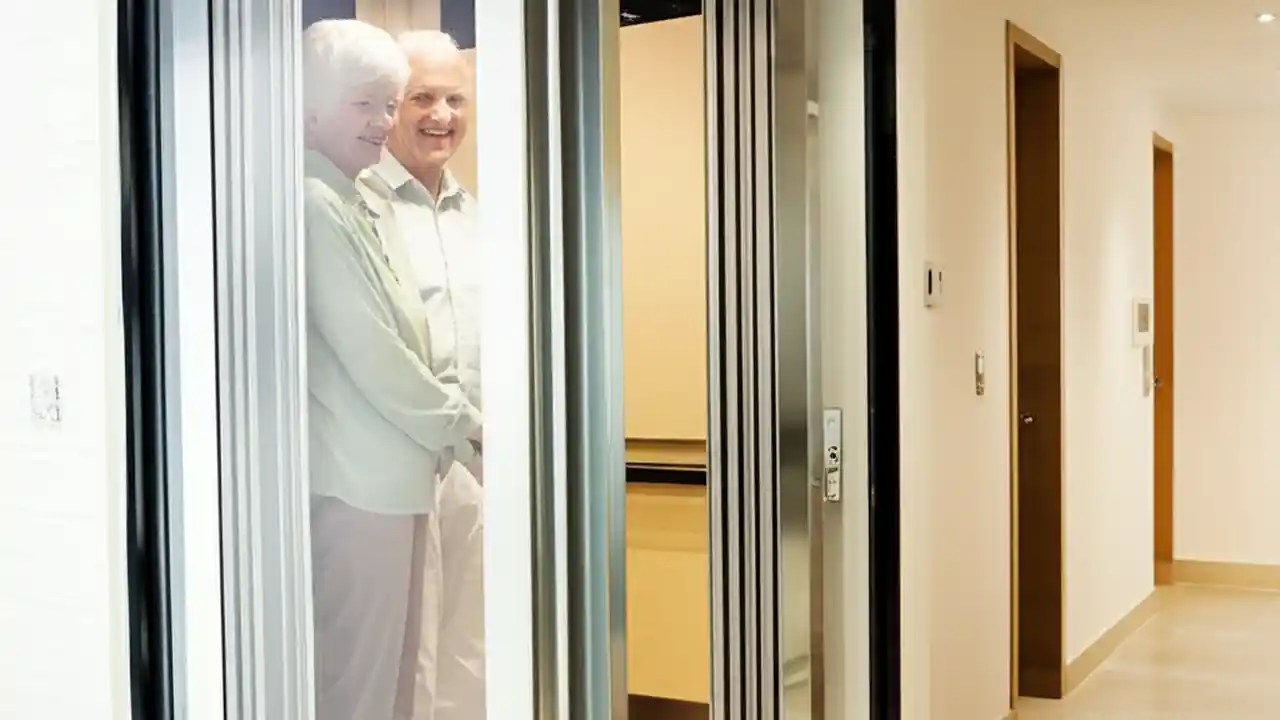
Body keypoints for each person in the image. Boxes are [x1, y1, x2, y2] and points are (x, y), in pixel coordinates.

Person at [301, 19, 482, 720]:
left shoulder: (347, 196)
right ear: (313, 106)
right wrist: (467, 430)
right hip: (375, 476)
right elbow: (378, 353)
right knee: (363, 680)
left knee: (432, 662)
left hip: (427, 467)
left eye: (387, 102)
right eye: (369, 104)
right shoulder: (328, 202)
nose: (382, 121)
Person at [359, 29, 485, 720]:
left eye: (455, 99)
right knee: (404, 651)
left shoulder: (481, 217)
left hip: (477, 465)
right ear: (388, 106)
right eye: (422, 98)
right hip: (397, 467)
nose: (441, 115)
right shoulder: (359, 206)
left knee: (473, 641)